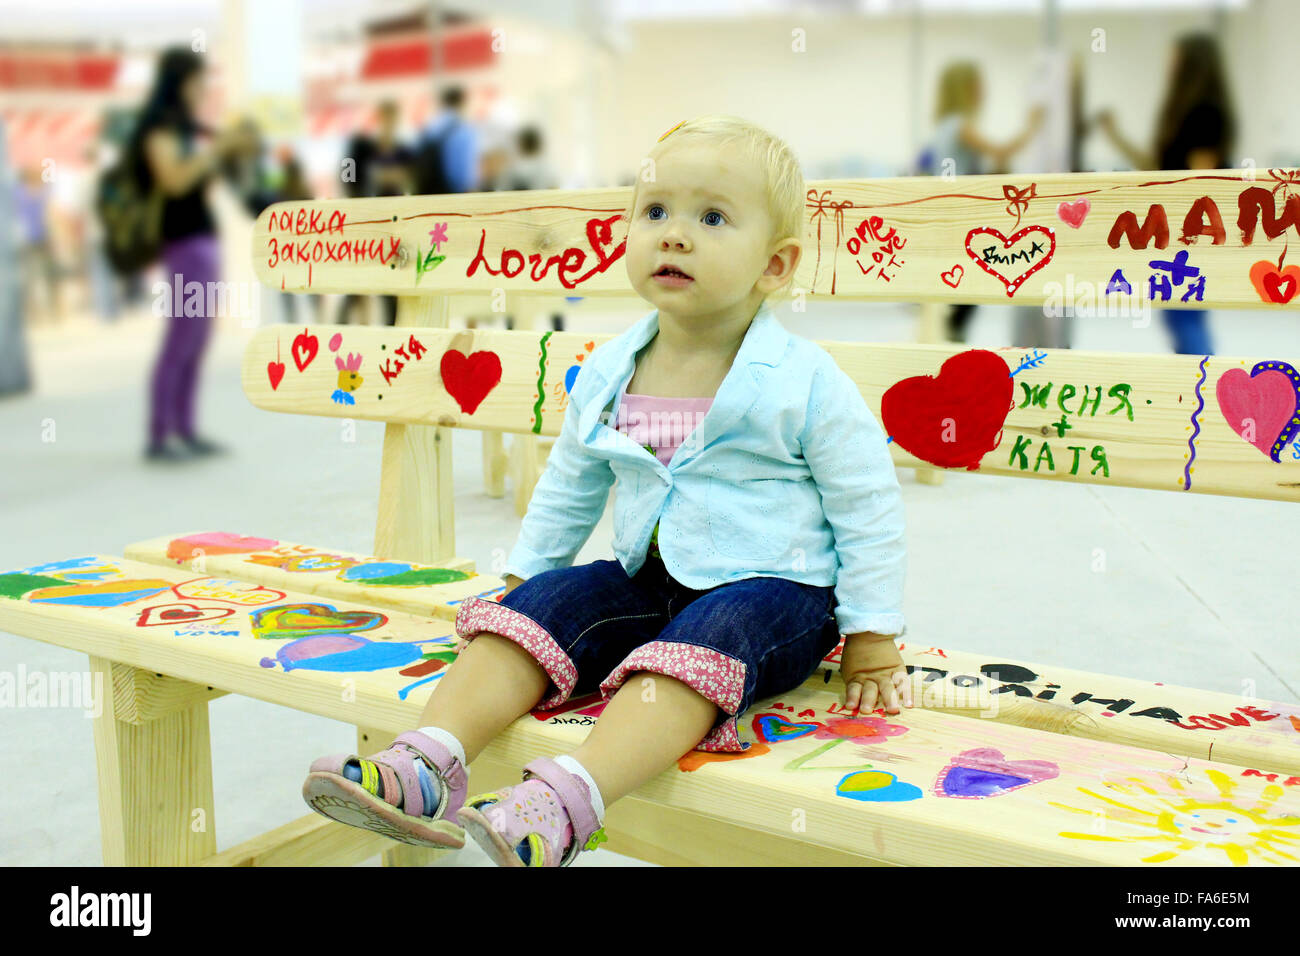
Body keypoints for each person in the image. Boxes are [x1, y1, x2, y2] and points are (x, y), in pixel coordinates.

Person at [302, 115, 911, 866]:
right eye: (654, 211)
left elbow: (867, 505)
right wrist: (528, 579)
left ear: (774, 266)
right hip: (646, 579)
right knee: (537, 608)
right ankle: (425, 764)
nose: (674, 234)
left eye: (712, 217)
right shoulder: (614, 367)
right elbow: (570, 481)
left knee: (705, 639)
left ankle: (568, 799)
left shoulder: (802, 381)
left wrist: (874, 638)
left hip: (774, 592)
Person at [131, 47, 255, 462]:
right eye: (200, 80)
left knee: (197, 338)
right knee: (182, 337)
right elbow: (174, 181)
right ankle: (160, 433)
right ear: (183, 82)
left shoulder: (185, 127)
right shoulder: (160, 126)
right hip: (183, 244)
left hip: (200, 242)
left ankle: (183, 428)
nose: (204, 89)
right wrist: (215, 152)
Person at [1095, 32, 1235, 355]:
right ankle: (1196, 377)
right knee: (1178, 315)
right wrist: (1115, 135)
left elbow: (1200, 180)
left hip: (1192, 233)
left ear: (1191, 65)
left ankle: (1200, 378)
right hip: (1178, 229)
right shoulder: (1186, 113)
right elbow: (1157, 166)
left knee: (1185, 315)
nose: (1168, 65)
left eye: (1174, 58)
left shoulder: (1205, 112)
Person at [921, 62, 1044, 342]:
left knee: (964, 285)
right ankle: (954, 338)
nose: (983, 92)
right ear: (964, 90)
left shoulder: (945, 127)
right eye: (977, 86)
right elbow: (1000, 150)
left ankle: (952, 335)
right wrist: (1033, 127)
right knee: (969, 286)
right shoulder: (960, 126)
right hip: (960, 214)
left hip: (949, 211)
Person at [336, 100, 411, 326]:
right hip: (365, 220)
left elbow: (410, 180)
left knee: (390, 279)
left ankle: (391, 328)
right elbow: (346, 175)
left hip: (392, 222)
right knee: (358, 280)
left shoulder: (403, 151)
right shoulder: (359, 146)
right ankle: (350, 327)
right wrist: (366, 185)